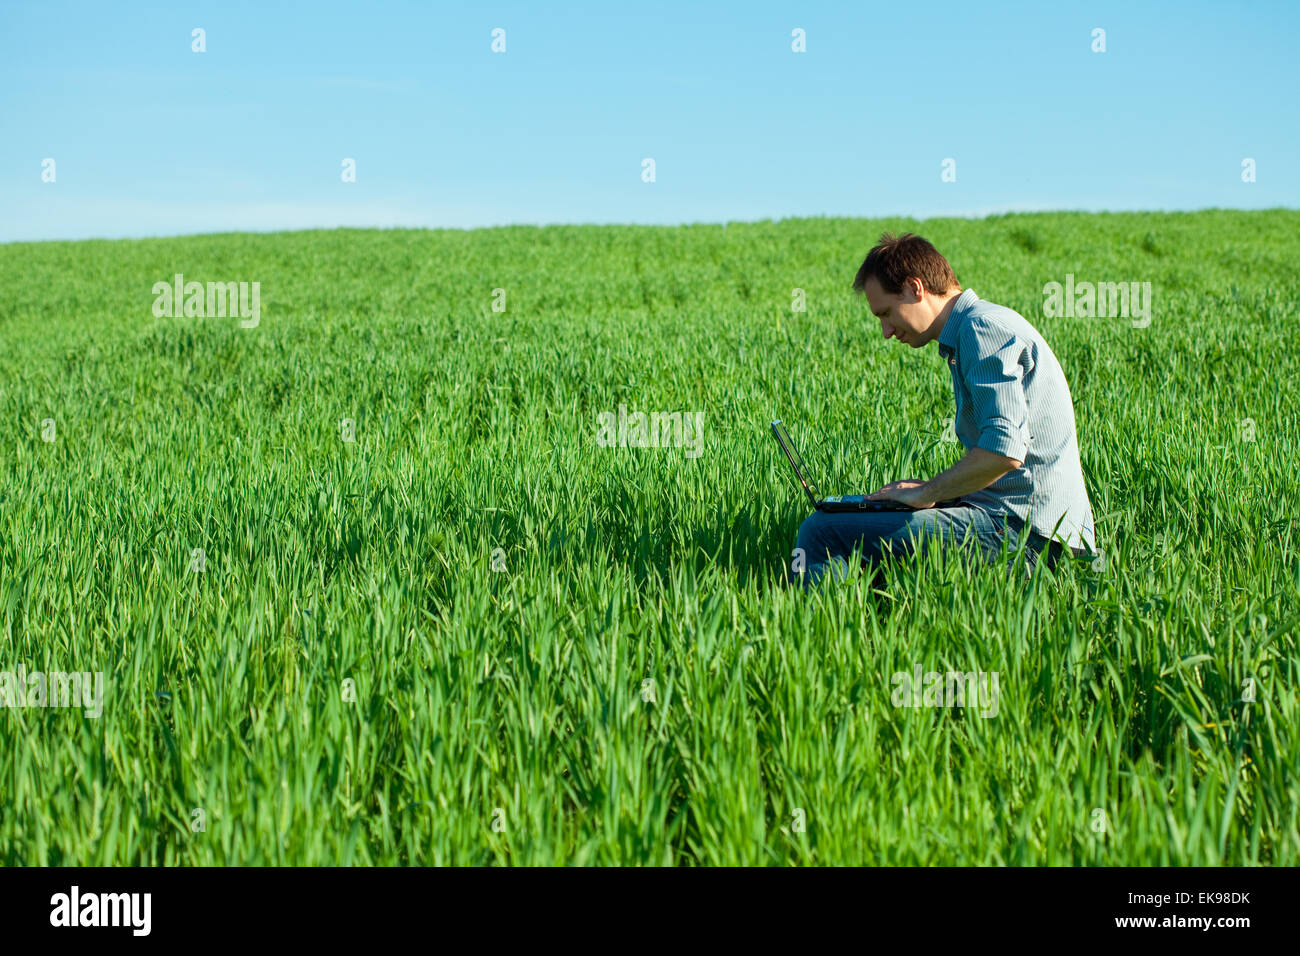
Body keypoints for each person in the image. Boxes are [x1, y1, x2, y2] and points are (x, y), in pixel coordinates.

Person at [793, 232, 1097, 590]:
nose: (886, 332)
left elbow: (1004, 452)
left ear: (914, 288)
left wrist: (927, 494)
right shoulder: (975, 328)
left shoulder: (981, 329)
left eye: (887, 313)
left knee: (822, 530)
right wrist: (937, 494)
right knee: (867, 525)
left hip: (1026, 537)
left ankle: (822, 634)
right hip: (1023, 525)